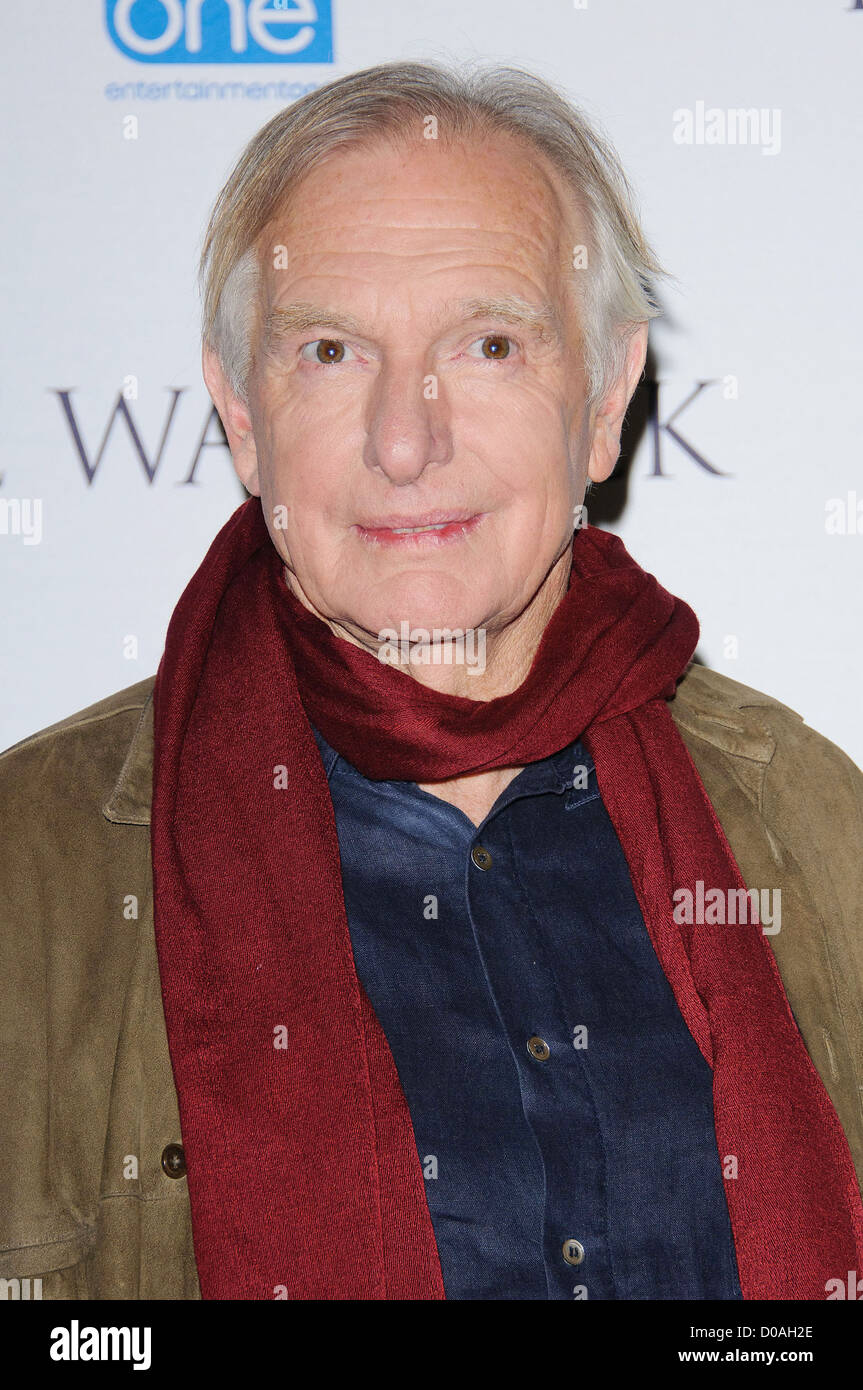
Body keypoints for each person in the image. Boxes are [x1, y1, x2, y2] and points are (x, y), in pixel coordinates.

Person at [1, 61, 861, 1302]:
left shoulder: (810, 821)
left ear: (606, 400)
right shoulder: (34, 864)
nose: (406, 440)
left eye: (490, 343)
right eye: (333, 350)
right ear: (242, 413)